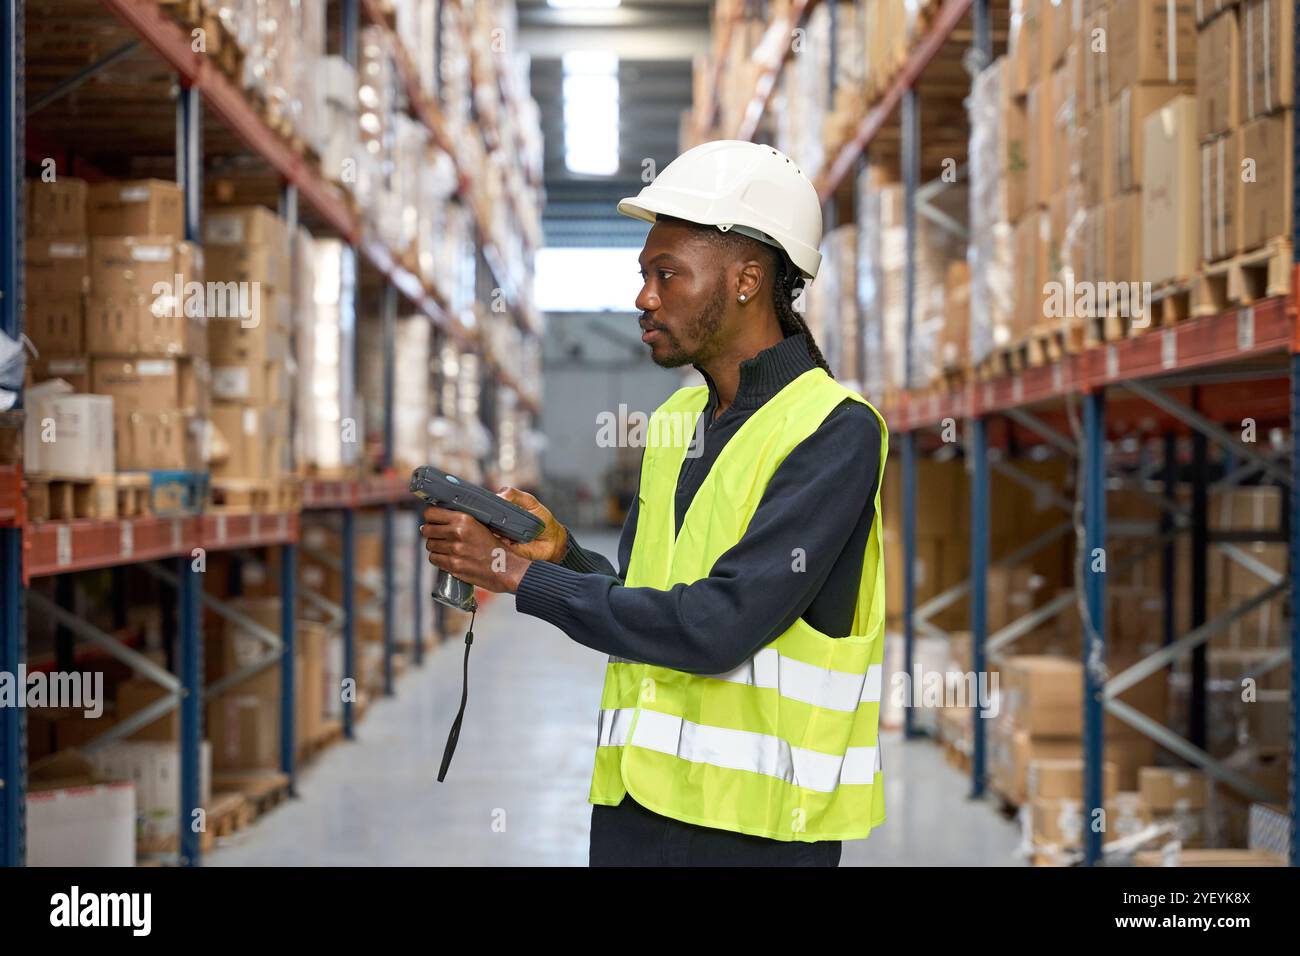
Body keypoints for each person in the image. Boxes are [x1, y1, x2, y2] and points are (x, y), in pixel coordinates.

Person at [420, 141, 889, 867]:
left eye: (667, 275)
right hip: (635, 808)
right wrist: (560, 554)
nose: (644, 298)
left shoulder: (835, 431)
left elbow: (717, 624)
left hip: (757, 832)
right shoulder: (675, 423)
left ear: (747, 280)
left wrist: (519, 579)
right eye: (644, 275)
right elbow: (651, 600)